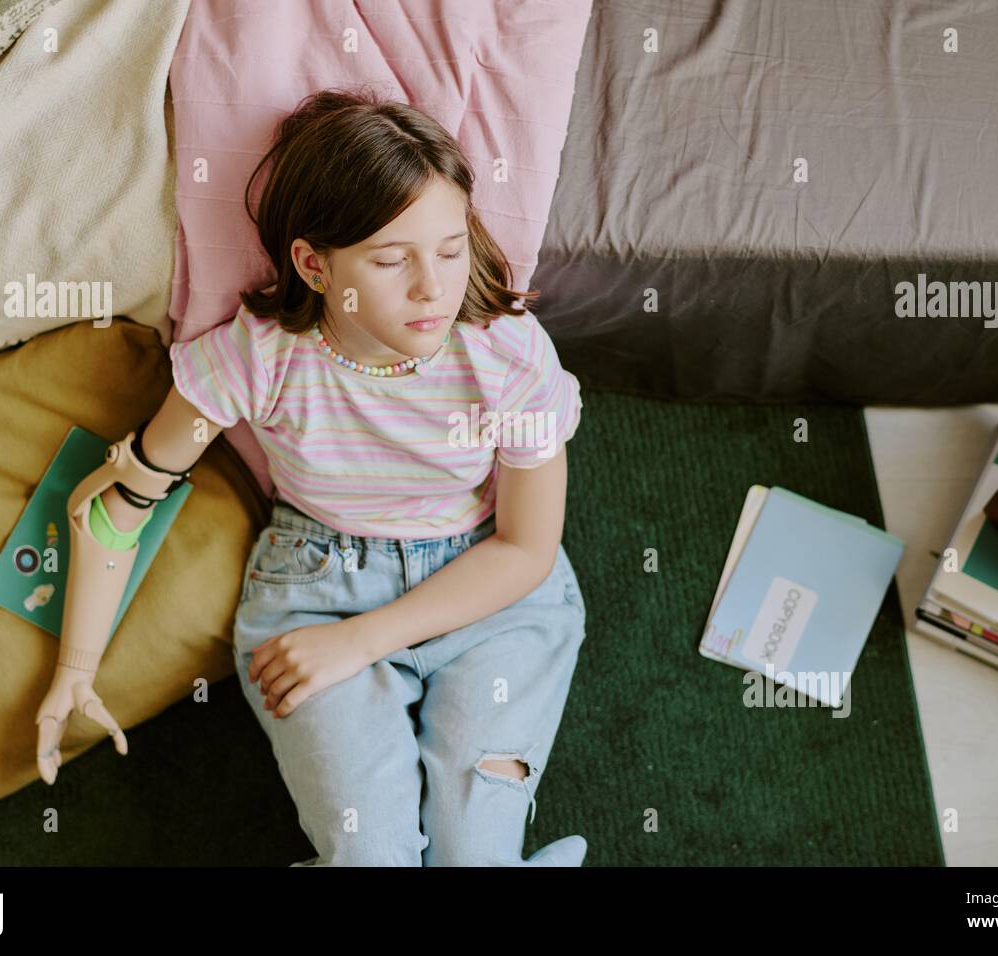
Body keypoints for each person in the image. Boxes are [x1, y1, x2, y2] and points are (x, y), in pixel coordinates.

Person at [34, 86, 588, 866]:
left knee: (475, 856)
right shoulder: (254, 358)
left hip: (488, 587)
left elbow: (528, 549)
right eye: (392, 260)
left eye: (452, 248)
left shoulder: (508, 354)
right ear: (314, 265)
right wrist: (76, 670)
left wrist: (363, 642)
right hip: (316, 589)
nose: (434, 288)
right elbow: (121, 504)